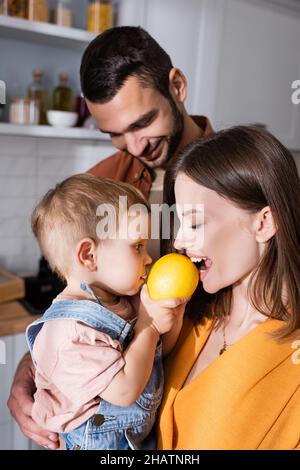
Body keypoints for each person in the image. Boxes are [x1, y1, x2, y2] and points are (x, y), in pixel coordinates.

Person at [7, 26, 213, 449]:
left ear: (177, 86)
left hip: (192, 410)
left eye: (143, 123)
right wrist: (30, 369)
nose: (133, 146)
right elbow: (74, 308)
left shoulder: (235, 181)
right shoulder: (100, 182)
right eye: (115, 134)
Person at [157, 125, 300, 450]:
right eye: (180, 223)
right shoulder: (186, 317)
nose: (179, 240)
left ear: (263, 223)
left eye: (195, 222)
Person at [25, 173, 187, 450]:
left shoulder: (122, 301)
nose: (148, 258)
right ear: (89, 255)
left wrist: (172, 314)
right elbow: (124, 391)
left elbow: (158, 356)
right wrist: (148, 326)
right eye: (137, 246)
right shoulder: (68, 333)